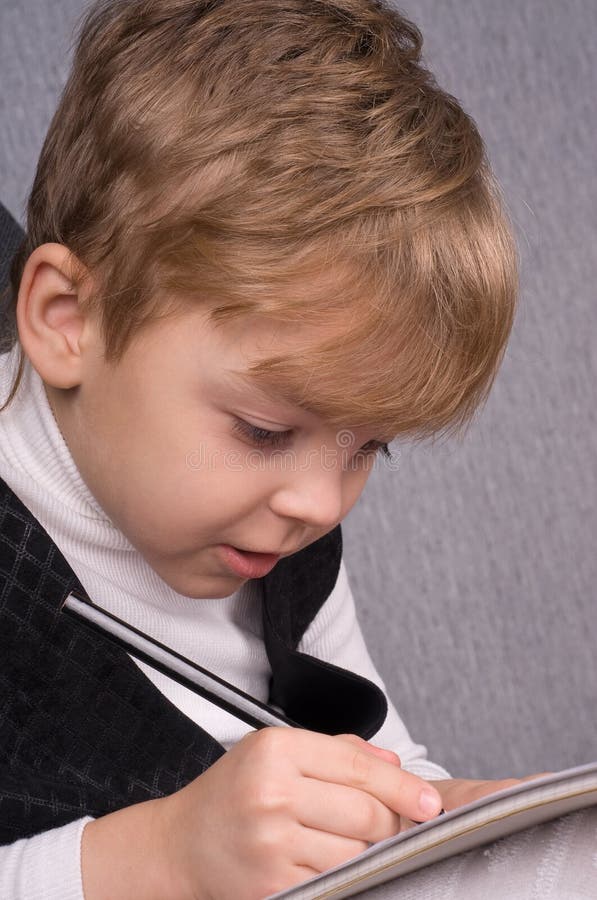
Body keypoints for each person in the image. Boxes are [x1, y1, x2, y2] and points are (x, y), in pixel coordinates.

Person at [0, 1, 540, 897]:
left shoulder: (280, 515)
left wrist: (458, 820)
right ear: (68, 320)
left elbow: (380, 767)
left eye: (370, 449)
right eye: (263, 430)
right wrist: (163, 858)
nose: (323, 506)